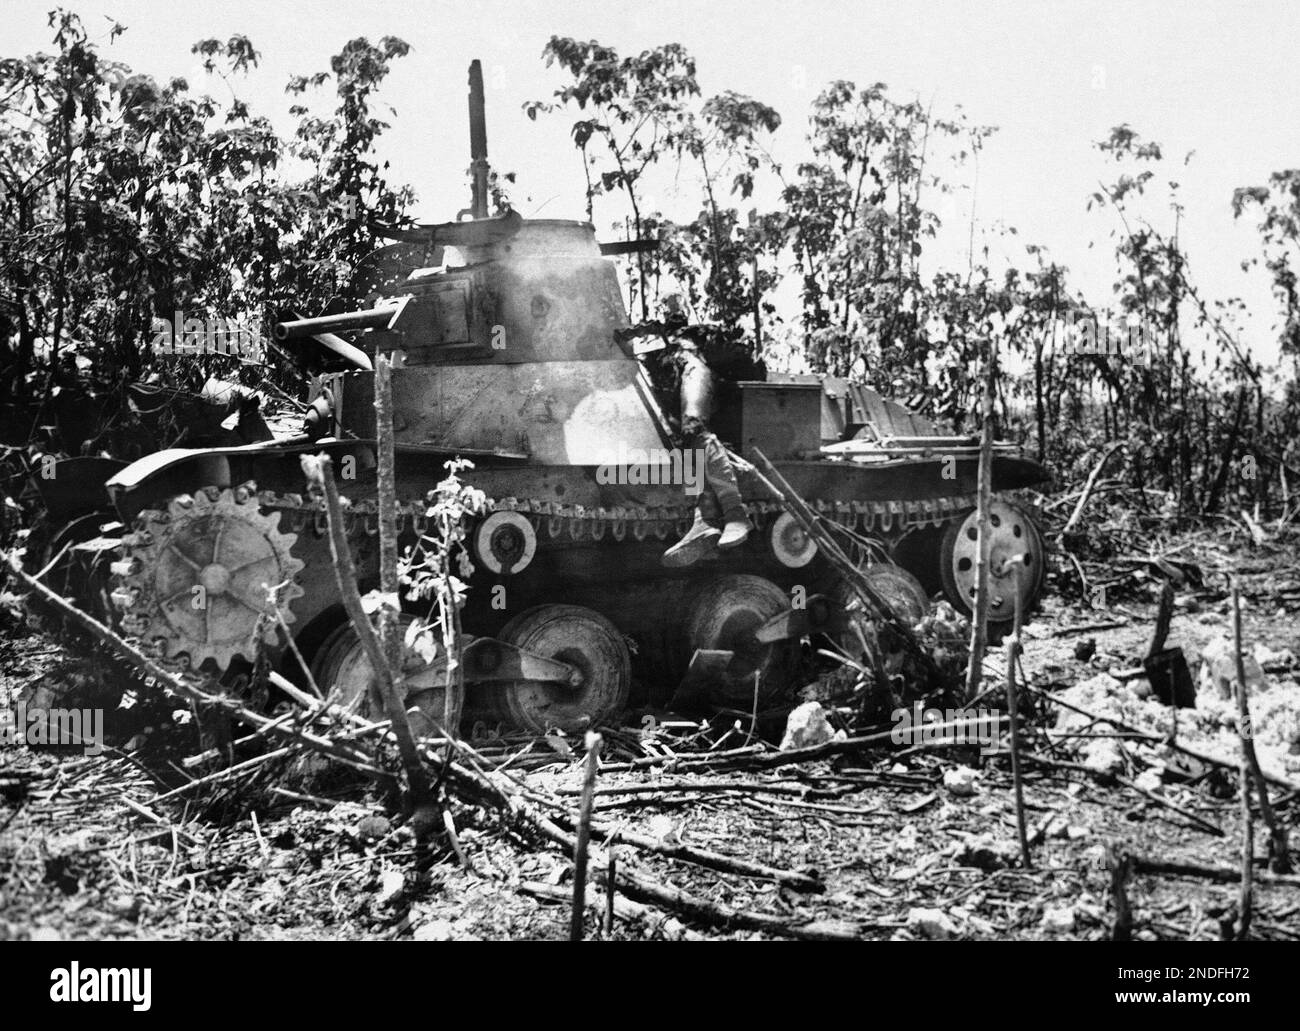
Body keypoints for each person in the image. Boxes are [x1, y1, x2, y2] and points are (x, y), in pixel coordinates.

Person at [659, 333, 753, 567]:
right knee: (681, 442)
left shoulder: (687, 352)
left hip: (693, 367)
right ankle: (703, 518)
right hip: (681, 370)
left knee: (694, 428)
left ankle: (735, 515)